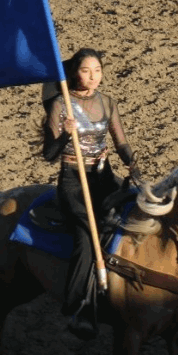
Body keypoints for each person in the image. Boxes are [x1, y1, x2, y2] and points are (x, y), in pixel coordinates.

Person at [42, 48, 138, 338]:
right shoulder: (61, 104)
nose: (93, 76)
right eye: (86, 70)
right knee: (87, 233)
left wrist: (132, 162)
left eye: (97, 70)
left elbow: (120, 139)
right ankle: (78, 306)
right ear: (74, 73)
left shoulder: (107, 101)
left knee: (139, 208)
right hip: (73, 181)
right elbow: (48, 153)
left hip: (104, 177)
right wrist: (66, 134)